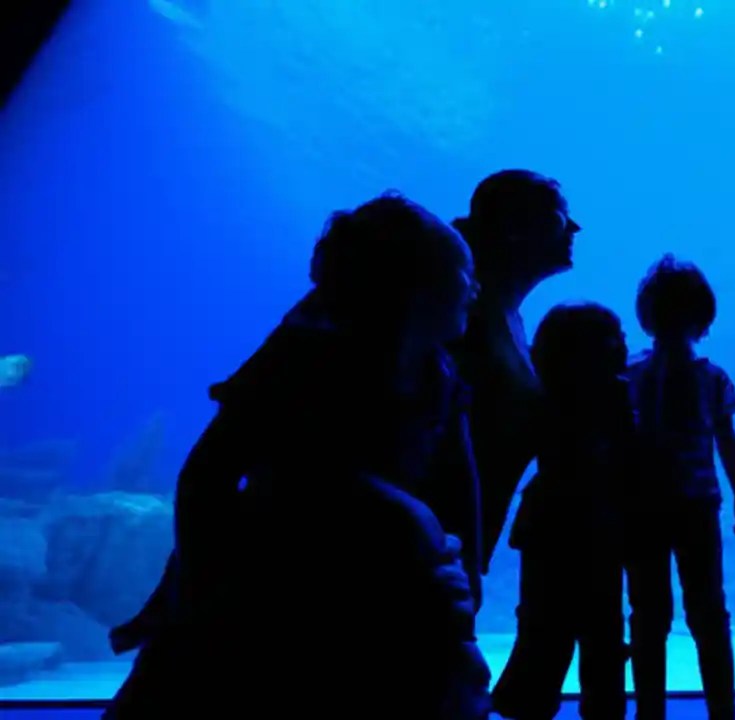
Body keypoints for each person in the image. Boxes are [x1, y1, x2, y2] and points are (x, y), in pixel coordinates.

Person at [104, 192, 489, 718]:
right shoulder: (303, 353)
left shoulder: (439, 369)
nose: (475, 287)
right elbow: (206, 474)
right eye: (464, 274)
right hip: (275, 585)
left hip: (380, 584)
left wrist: (464, 577)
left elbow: (460, 483)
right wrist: (200, 589)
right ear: (415, 286)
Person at [625, 254, 735, 720]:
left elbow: (726, 438)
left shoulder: (632, 373)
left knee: (655, 613)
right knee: (700, 611)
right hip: (687, 505)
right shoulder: (708, 377)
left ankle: (662, 710)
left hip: (653, 507)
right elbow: (726, 439)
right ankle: (719, 709)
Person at [491, 302, 632, 720]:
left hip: (549, 528)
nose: (624, 344)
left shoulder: (541, 397)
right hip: (596, 530)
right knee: (599, 636)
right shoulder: (618, 398)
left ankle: (525, 705)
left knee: (543, 632)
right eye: (615, 337)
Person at [448, 169, 583, 577]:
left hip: (451, 562)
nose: (574, 228)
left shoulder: (506, 319)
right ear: (513, 227)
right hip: (417, 561)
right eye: (558, 219)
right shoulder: (453, 310)